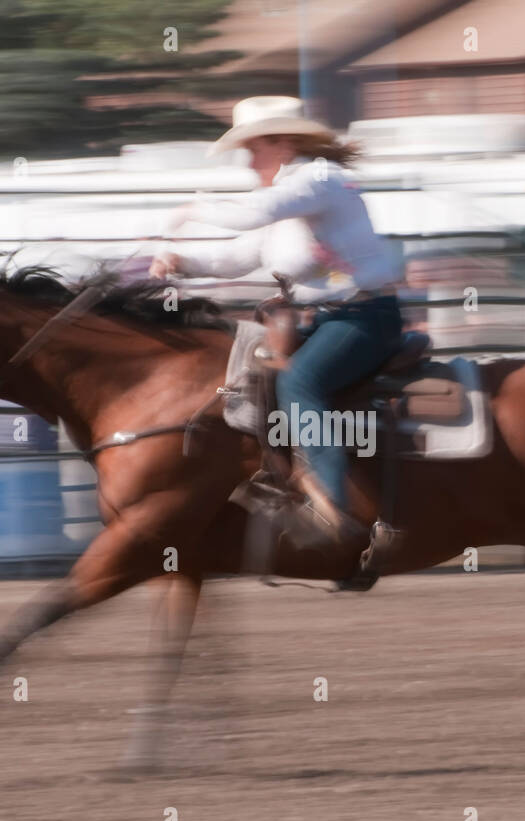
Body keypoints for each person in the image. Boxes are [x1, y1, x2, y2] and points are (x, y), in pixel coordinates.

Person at [150, 96, 405, 549]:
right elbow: (238, 256)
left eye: (254, 149)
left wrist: (193, 208)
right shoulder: (290, 197)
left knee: (298, 384)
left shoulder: (318, 179)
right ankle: (283, 477)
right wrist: (180, 260)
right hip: (334, 319)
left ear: (284, 143)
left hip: (366, 317)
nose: (248, 162)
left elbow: (251, 215)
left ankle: (334, 503)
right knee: (253, 373)